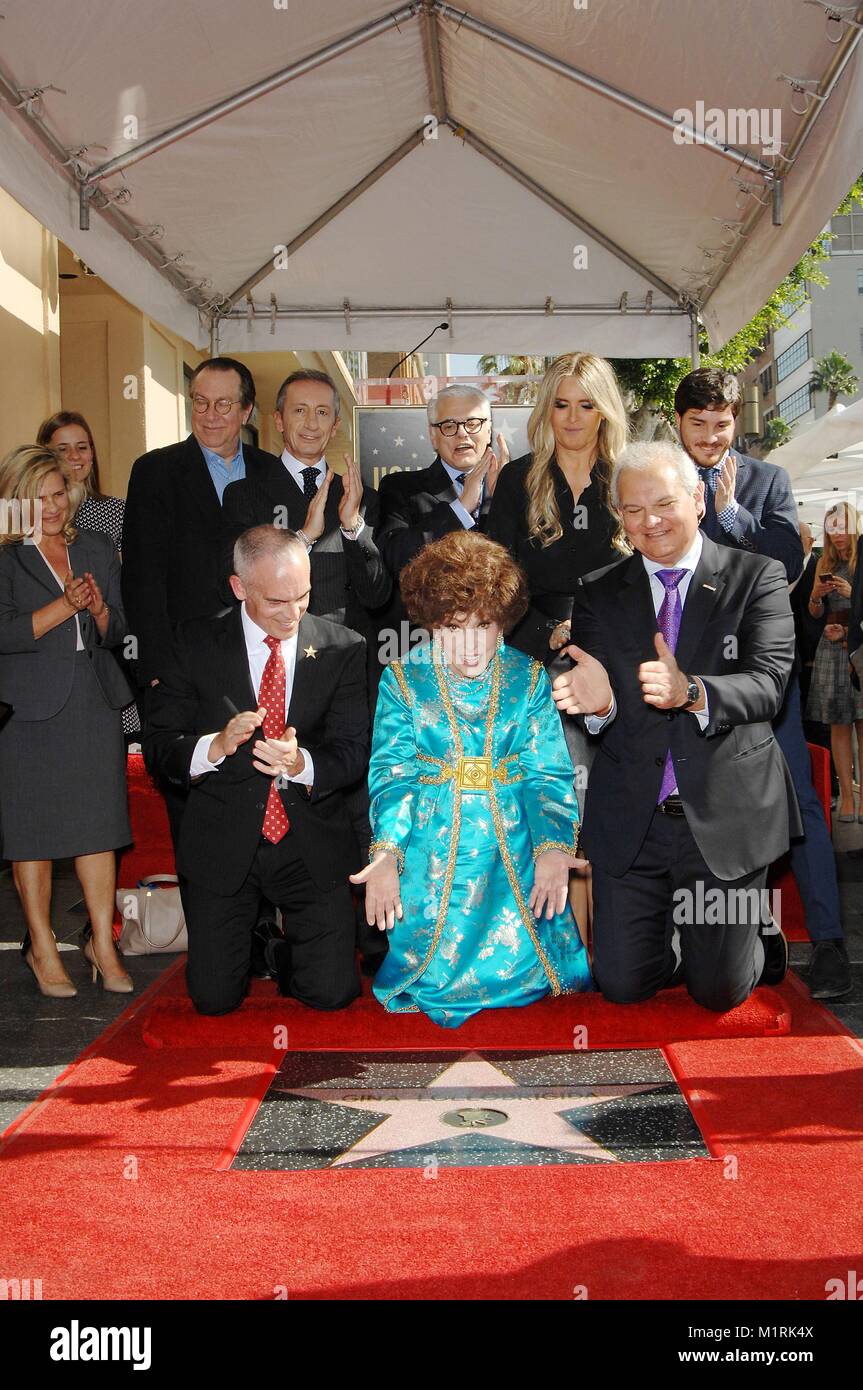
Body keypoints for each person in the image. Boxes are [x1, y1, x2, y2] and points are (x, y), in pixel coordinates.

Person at [552, 442, 798, 1013]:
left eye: (664, 503)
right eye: (633, 511)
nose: (650, 521)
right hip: (635, 817)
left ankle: (754, 939)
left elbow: (769, 685)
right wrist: (597, 707)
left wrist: (692, 692)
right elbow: (601, 702)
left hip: (725, 814)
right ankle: (675, 940)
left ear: (698, 498)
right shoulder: (597, 591)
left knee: (717, 993)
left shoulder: (758, 575)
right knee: (622, 985)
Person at [350, 531, 592, 1028]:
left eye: (482, 626)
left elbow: (548, 772)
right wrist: (386, 853)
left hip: (515, 851)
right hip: (431, 850)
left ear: (502, 620)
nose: (468, 644)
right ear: (431, 623)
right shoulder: (402, 677)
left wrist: (551, 847)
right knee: (426, 973)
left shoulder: (527, 676)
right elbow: (393, 776)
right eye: (452, 627)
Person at [674, 367, 850, 1000]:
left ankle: (829, 944)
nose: (713, 438)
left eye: (722, 425)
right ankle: (734, 936)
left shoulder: (767, 481)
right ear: (678, 424)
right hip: (689, 674)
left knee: (798, 804)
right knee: (696, 806)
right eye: (700, 426)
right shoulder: (664, 479)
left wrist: (729, 513)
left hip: (764, 668)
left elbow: (787, 560)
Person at [142, 526, 368, 1016]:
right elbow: (159, 749)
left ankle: (277, 952)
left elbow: (352, 754)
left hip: (307, 842)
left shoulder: (343, 647)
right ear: (239, 588)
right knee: (213, 1000)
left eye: (304, 597)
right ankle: (250, 941)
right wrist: (215, 746)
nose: (293, 614)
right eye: (276, 602)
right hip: (223, 842)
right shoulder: (192, 642)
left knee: (332, 995)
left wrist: (302, 762)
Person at [487, 352, 629, 940]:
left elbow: (649, 574)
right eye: (562, 404)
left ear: (606, 411)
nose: (572, 418)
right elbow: (501, 582)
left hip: (620, 655)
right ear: (547, 408)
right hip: (535, 656)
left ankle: (617, 935)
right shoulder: (519, 480)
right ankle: (565, 944)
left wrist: (598, 642)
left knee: (613, 799)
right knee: (556, 800)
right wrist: (550, 635)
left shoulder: (626, 476)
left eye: (587, 405)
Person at [0, 447, 134, 996]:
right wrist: (65, 606)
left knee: (97, 828)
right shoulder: (4, 558)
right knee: (31, 834)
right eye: (38, 497)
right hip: (27, 712)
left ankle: (103, 943)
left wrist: (99, 610)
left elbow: (121, 629)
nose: (52, 507)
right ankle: (42, 945)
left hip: (92, 702)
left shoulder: (96, 547)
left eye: (58, 493)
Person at [121, 357, 278, 692]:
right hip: (182, 664)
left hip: (263, 659)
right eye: (201, 402)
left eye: (223, 404)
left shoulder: (272, 473)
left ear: (246, 410)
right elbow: (141, 579)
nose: (210, 415)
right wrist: (154, 666)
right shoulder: (154, 472)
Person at [221, 370, 390, 639]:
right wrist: (303, 539)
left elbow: (376, 595)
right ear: (279, 420)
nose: (311, 424)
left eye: (322, 413)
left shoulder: (362, 499)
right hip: (273, 652)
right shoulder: (244, 495)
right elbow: (231, 583)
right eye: (300, 410)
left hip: (343, 654)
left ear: (335, 426)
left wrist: (352, 527)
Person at [375, 386, 509, 653]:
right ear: (433, 436)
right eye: (449, 425)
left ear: (488, 429)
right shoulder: (401, 487)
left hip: (501, 647)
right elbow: (394, 557)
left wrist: (506, 497)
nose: (462, 433)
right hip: (426, 649)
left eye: (472, 423)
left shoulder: (516, 487)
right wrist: (459, 509)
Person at [37, 409, 138, 736]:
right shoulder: (27, 518)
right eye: (61, 449)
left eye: (82, 446)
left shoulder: (116, 512)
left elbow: (128, 589)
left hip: (104, 656)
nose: (74, 457)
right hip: (44, 665)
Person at [806, 503, 863, 821]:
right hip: (831, 647)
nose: (837, 533)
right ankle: (846, 799)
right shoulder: (823, 561)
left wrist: (852, 594)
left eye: (842, 526)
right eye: (831, 527)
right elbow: (815, 613)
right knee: (839, 728)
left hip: (857, 647)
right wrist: (815, 595)